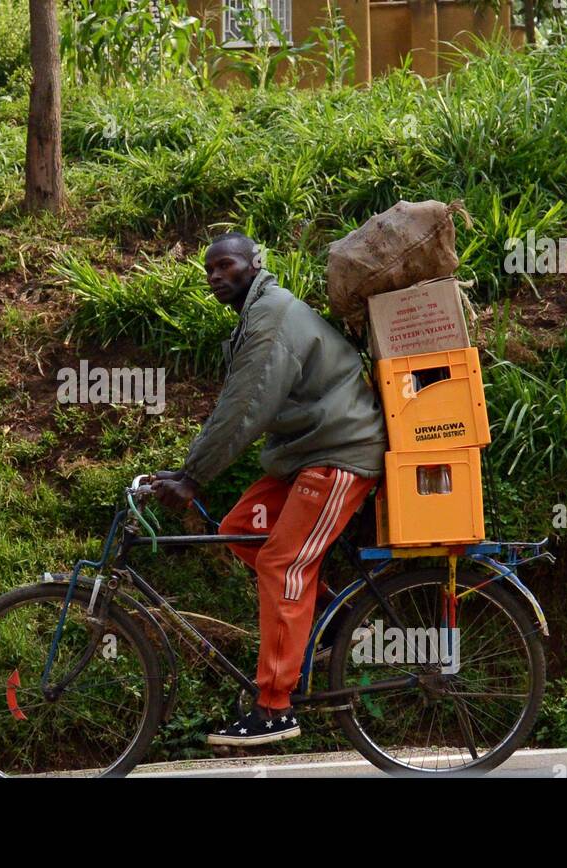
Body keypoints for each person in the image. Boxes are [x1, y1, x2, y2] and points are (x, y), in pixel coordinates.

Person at [150, 232, 388, 746]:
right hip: (306, 454)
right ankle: (336, 618)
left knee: (283, 565)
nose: (216, 276)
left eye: (226, 265)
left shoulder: (272, 316)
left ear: (255, 264)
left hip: (341, 453)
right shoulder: (258, 316)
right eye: (209, 269)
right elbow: (237, 404)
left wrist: (193, 477)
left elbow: (245, 405)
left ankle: (275, 708)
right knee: (239, 529)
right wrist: (185, 469)